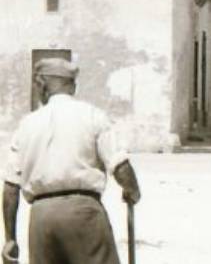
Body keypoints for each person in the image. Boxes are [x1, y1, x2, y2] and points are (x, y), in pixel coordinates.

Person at [3, 59, 141, 264]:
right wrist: (132, 190)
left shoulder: (27, 124)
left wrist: (10, 239)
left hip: (42, 219)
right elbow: (120, 166)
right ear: (72, 86)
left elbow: (10, 189)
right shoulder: (93, 116)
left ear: (43, 86)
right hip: (83, 213)